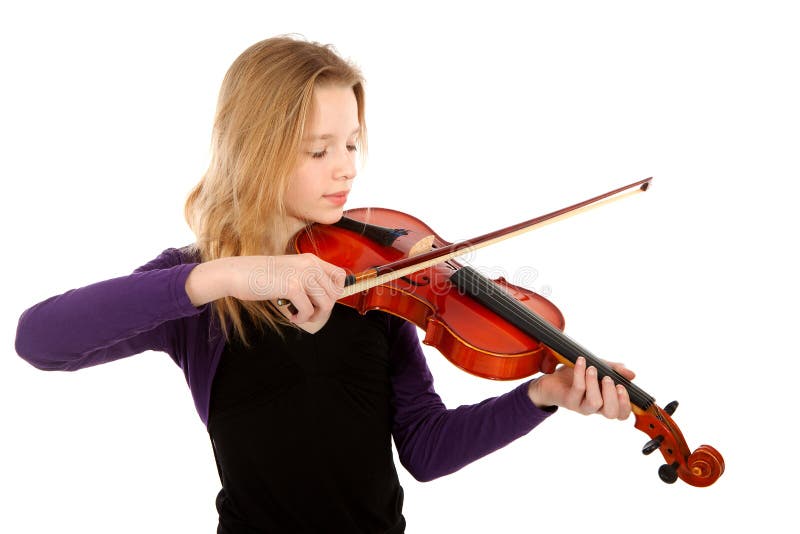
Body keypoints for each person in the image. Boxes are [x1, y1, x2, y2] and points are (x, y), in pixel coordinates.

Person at [14, 35, 634, 533]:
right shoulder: (199, 290)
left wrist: (541, 395)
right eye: (319, 151)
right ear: (255, 151)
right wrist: (229, 273)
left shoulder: (375, 285)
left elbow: (426, 450)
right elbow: (40, 341)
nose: (346, 170)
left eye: (352, 145)